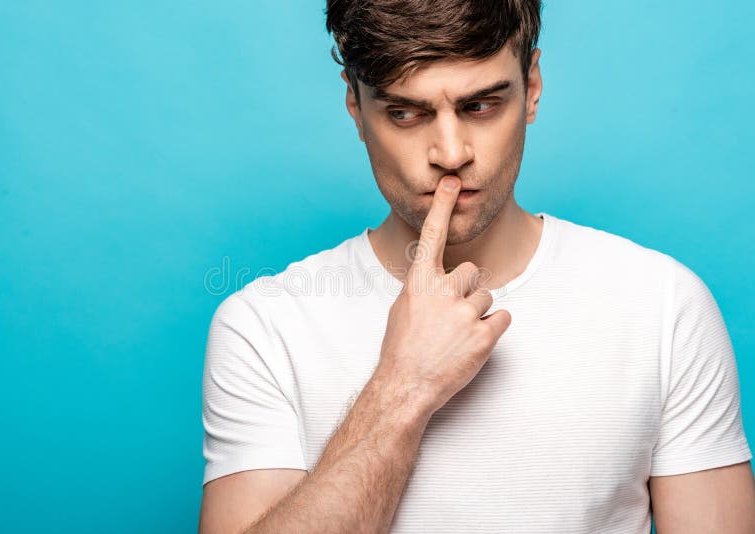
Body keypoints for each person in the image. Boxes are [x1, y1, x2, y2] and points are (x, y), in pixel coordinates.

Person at [199, 1, 755, 532]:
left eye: (481, 105)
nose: (450, 153)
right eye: (405, 112)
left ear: (531, 88)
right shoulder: (264, 326)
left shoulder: (663, 306)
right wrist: (404, 385)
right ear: (355, 107)